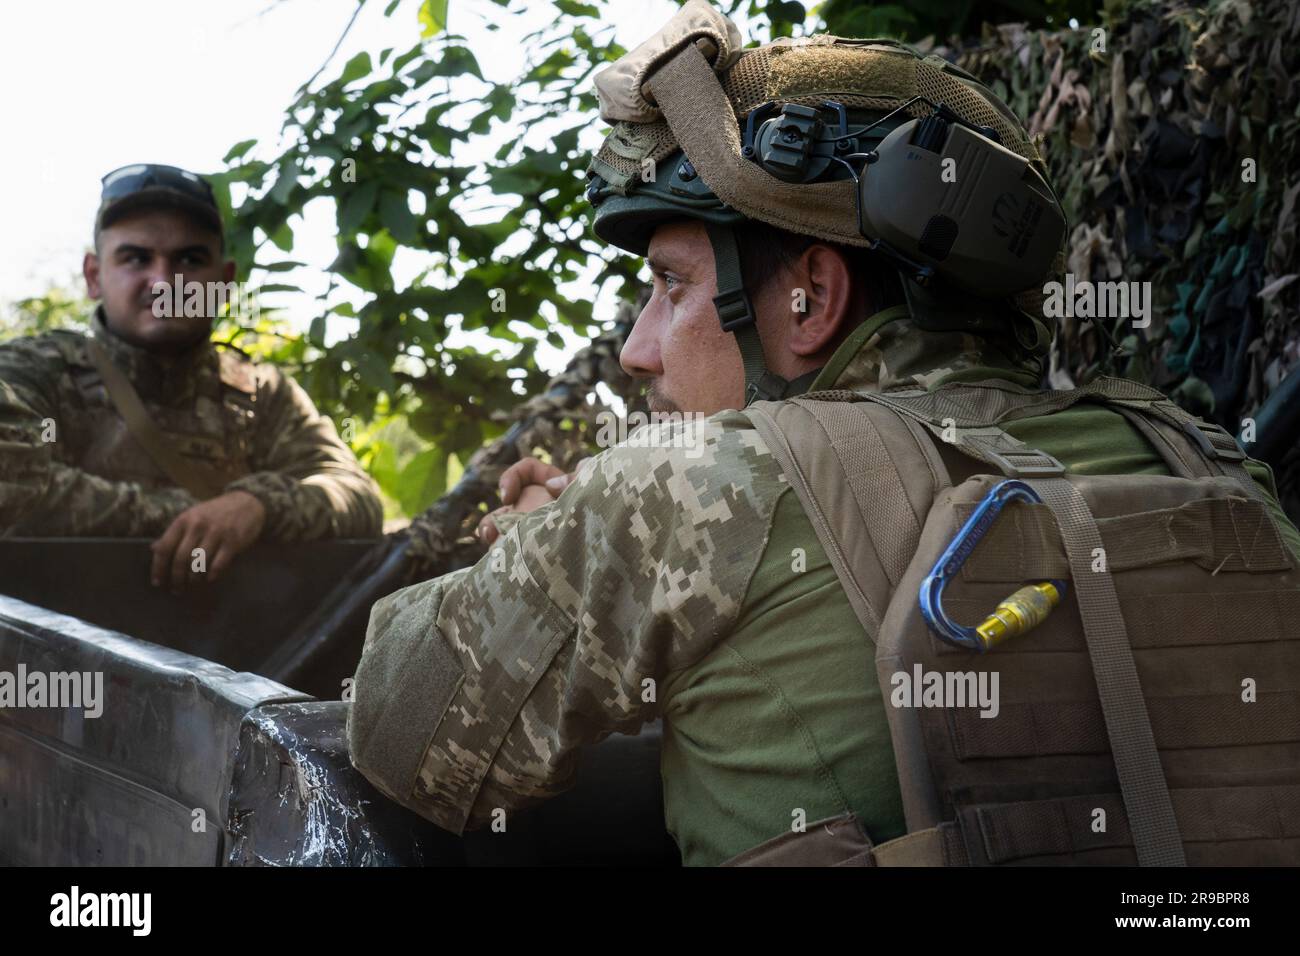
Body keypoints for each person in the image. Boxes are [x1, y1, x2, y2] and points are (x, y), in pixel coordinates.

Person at [347, 3, 1300, 865]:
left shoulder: (687, 488)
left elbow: (397, 728)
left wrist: (545, 545)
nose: (638, 349)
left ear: (810, 300)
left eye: (671, 286)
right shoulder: (1198, 455)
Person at [0, 163, 383, 589]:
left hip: (229, 651)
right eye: (136, 258)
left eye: (189, 259)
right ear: (94, 276)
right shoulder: (31, 372)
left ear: (224, 281)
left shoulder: (260, 392)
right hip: (54, 650)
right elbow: (15, 488)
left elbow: (355, 495)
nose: (164, 282)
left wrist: (258, 506)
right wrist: (200, 517)